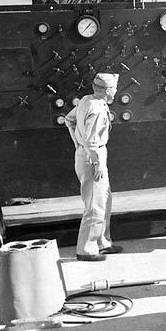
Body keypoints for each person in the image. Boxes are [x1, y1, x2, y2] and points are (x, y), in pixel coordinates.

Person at [64, 73, 121, 261]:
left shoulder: (86, 100)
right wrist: (96, 162)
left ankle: (102, 241)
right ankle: (86, 249)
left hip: (87, 154)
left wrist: (77, 143)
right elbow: (91, 141)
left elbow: (69, 120)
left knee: (104, 199)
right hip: (92, 157)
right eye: (114, 88)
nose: (115, 91)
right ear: (107, 90)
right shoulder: (96, 109)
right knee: (95, 204)